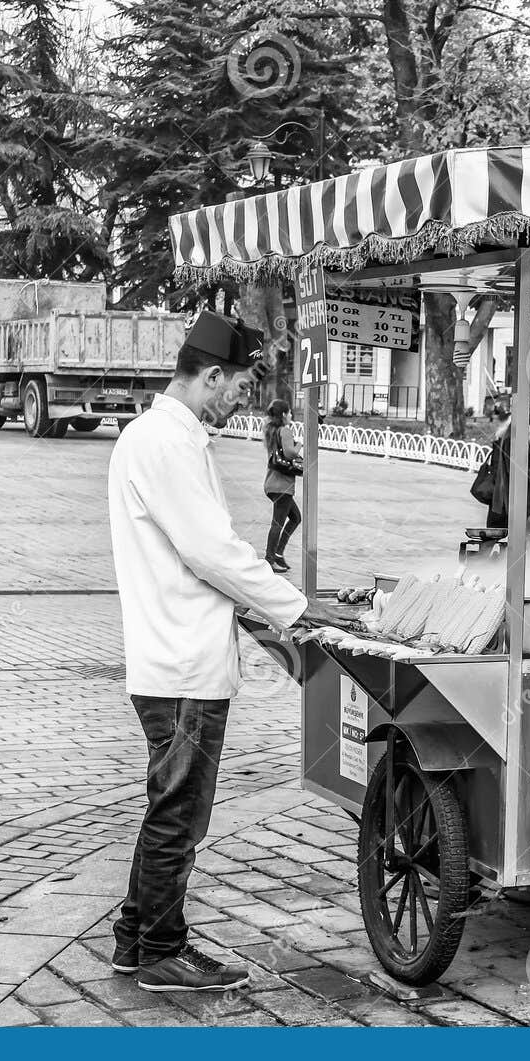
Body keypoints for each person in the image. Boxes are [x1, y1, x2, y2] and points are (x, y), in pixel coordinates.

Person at [107, 309, 347, 993]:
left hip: (179, 654)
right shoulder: (164, 442)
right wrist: (297, 609)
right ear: (211, 376)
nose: (243, 399)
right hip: (180, 664)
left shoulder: (167, 437)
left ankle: (138, 936)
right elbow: (210, 550)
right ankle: (159, 947)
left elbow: (204, 554)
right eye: (239, 385)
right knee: (179, 812)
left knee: (174, 805)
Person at [476, 405, 530, 532]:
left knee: (497, 541)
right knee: (525, 541)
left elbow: (513, 467)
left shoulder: (507, 440)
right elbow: (517, 471)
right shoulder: (513, 441)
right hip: (514, 503)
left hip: (504, 503)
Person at [262, 399, 304, 572]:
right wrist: (300, 443)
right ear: (284, 415)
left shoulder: (271, 430)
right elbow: (290, 453)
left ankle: (278, 554)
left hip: (273, 484)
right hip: (282, 486)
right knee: (277, 523)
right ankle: (269, 559)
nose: (291, 415)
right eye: (289, 413)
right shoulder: (285, 430)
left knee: (295, 518)